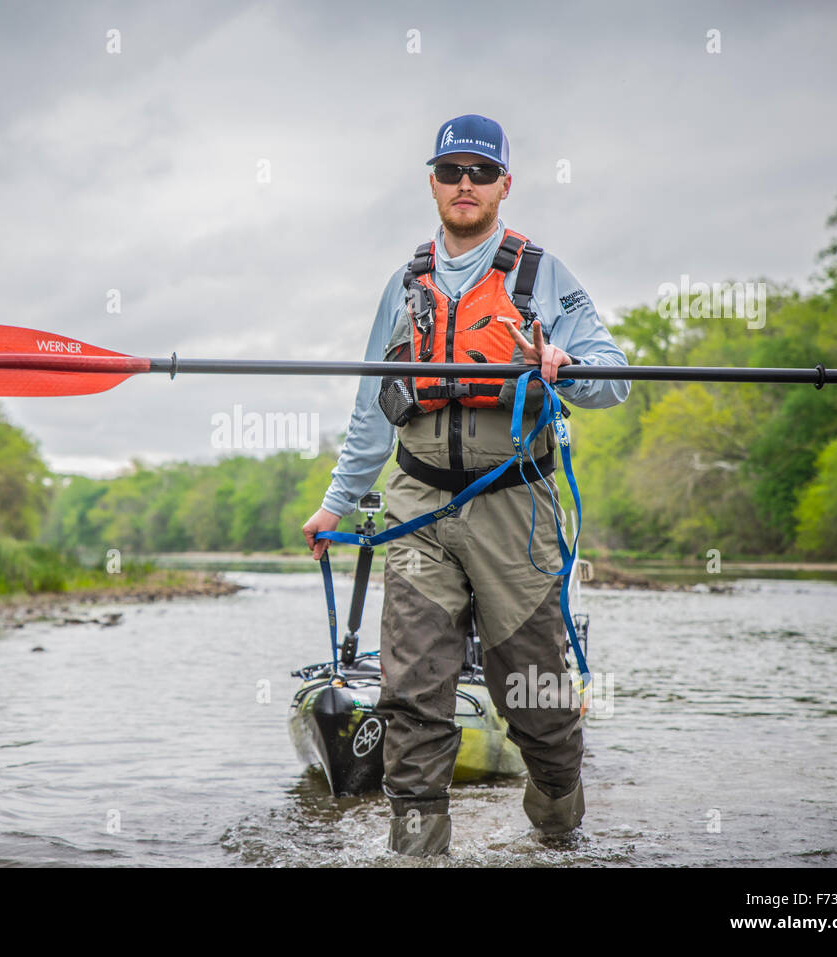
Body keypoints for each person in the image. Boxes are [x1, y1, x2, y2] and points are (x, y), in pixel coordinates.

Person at [302, 113, 631, 856]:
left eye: (481, 172)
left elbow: (617, 383)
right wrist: (336, 505)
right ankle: (417, 849)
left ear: (503, 184)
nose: (465, 184)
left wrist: (566, 366)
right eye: (451, 171)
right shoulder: (403, 284)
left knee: (537, 701)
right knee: (413, 691)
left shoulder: (544, 276)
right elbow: (369, 412)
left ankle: (556, 818)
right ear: (433, 181)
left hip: (516, 505)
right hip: (418, 503)